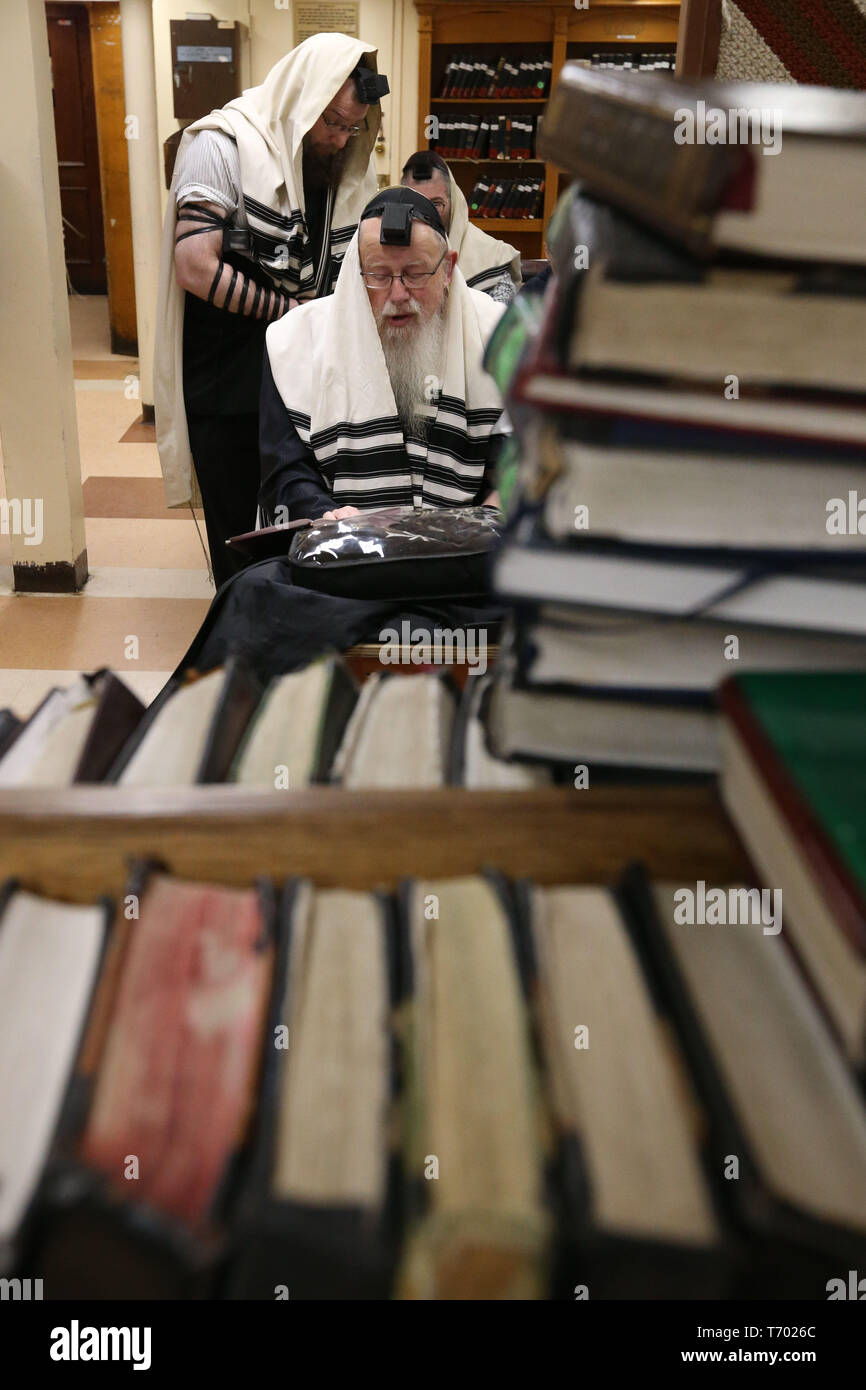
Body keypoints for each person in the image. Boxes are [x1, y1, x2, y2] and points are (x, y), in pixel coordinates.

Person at [153, 33, 388, 587]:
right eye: (330, 122)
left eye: (351, 126)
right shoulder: (221, 143)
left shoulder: (336, 161)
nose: (338, 139)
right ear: (301, 101)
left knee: (302, 506)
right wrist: (292, 309)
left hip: (302, 374)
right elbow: (194, 266)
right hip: (227, 373)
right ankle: (238, 630)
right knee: (237, 525)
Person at [259, 186, 509, 526]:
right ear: (355, 271)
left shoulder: (496, 335)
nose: (398, 293)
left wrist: (494, 512)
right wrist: (325, 514)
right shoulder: (295, 342)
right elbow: (286, 473)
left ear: (448, 269)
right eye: (378, 274)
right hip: (342, 552)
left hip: (463, 554)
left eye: (416, 273)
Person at [400, 151, 521, 303]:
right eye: (416, 204)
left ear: (454, 203)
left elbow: (499, 322)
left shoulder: (493, 258)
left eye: (436, 204)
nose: (426, 213)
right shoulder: (390, 259)